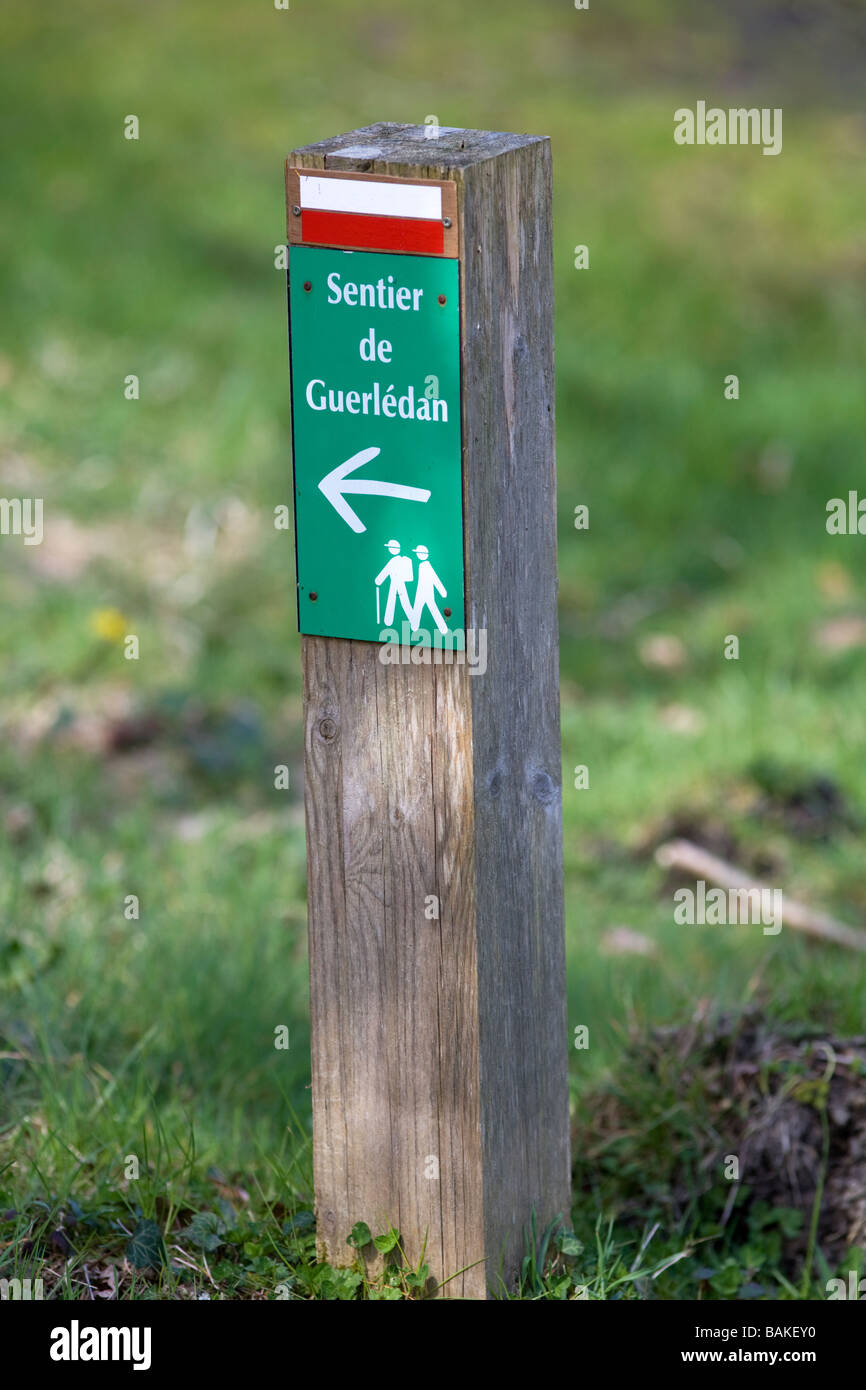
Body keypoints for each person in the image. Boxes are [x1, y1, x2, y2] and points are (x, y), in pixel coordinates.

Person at [409, 544, 448, 634]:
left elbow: (435, 579)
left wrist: (443, 592)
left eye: (418, 553)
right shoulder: (421, 565)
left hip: (427, 592)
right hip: (421, 592)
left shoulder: (426, 566)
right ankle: (414, 626)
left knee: (431, 608)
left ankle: (443, 628)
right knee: (419, 609)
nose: (417, 555)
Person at [374, 540, 414, 626]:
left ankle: (388, 621)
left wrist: (378, 581)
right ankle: (412, 619)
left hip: (395, 584)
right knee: (403, 602)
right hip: (399, 584)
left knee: (393, 601)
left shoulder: (394, 561)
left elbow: (383, 574)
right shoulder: (401, 560)